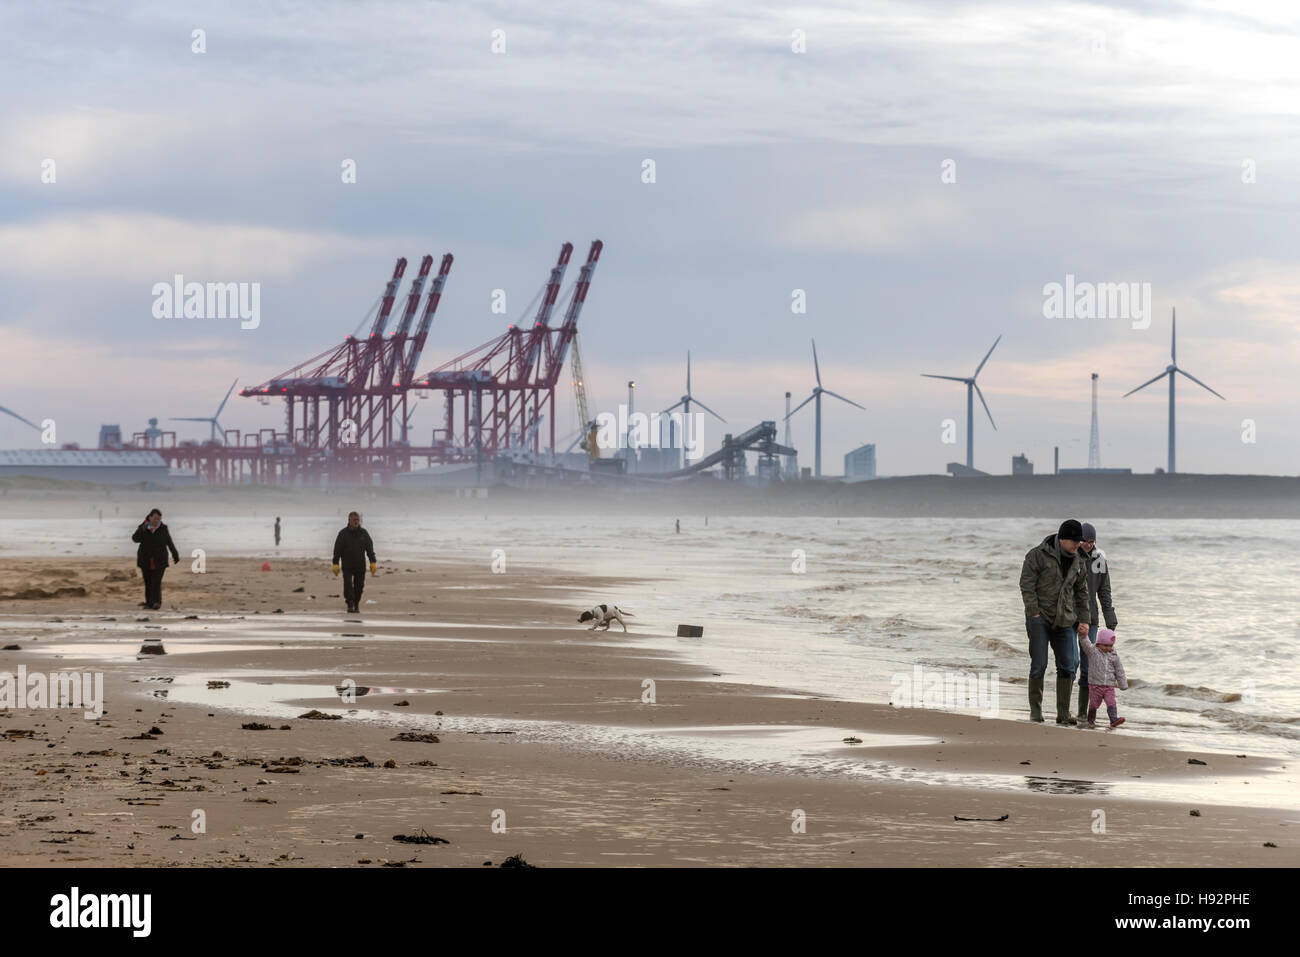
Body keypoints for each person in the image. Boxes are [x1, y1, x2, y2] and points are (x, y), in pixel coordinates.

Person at [1018, 519, 1091, 724]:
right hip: (1039, 619)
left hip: (1065, 619)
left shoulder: (1079, 561)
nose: (1077, 545)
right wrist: (1034, 613)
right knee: (1039, 664)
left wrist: (1084, 619)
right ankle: (1035, 711)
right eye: (1074, 541)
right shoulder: (1037, 555)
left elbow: (1082, 593)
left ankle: (1063, 714)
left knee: (1068, 666)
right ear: (1062, 539)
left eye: (1080, 541)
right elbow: (1026, 585)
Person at [1077, 522, 1118, 720]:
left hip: (1091, 618)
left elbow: (1104, 590)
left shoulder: (1099, 557)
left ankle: (1083, 713)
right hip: (1069, 617)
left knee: (1087, 666)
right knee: (1070, 662)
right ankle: (1063, 710)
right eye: (1084, 541)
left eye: (1091, 542)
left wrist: (1110, 618)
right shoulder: (1071, 555)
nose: (1088, 545)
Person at [1077, 627, 1127, 729]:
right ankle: (1090, 721)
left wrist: (1123, 684)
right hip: (1095, 685)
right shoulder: (1093, 652)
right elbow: (1085, 644)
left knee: (1111, 702)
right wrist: (1083, 635)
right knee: (1093, 705)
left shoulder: (1114, 656)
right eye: (1106, 645)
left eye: (1110, 645)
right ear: (1099, 643)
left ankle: (1113, 720)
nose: (1108, 648)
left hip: (1109, 686)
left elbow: (1119, 670)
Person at [131, 508, 180, 610]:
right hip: (145, 559)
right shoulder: (143, 528)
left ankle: (157, 603)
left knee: (156, 582)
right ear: (150, 517)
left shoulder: (163, 528)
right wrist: (142, 529)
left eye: (159, 519)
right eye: (155, 518)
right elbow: (135, 539)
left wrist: (175, 554)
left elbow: (169, 542)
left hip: (160, 559)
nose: (157, 521)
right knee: (148, 582)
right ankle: (149, 603)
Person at [332, 511, 377, 614]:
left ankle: (356, 604)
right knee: (348, 585)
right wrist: (335, 563)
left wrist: (373, 562)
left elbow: (370, 549)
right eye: (354, 520)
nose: (356, 522)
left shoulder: (364, 533)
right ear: (349, 521)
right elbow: (337, 549)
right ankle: (350, 604)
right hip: (347, 565)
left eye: (357, 520)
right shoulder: (343, 534)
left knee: (359, 586)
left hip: (360, 565)